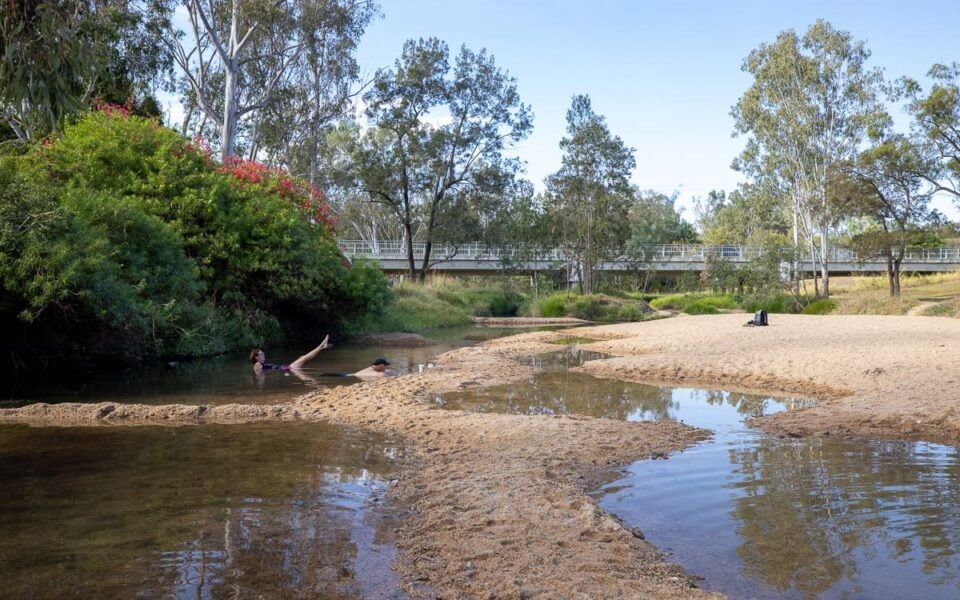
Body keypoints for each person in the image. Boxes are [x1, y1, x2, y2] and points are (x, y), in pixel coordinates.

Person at [250, 335, 331, 377]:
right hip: (288, 369)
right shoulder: (257, 364)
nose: (264, 355)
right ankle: (321, 346)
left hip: (288, 369)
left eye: (263, 354)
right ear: (256, 357)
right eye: (261, 354)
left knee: (305, 374)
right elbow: (259, 373)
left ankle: (316, 385)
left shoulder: (260, 364)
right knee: (304, 358)